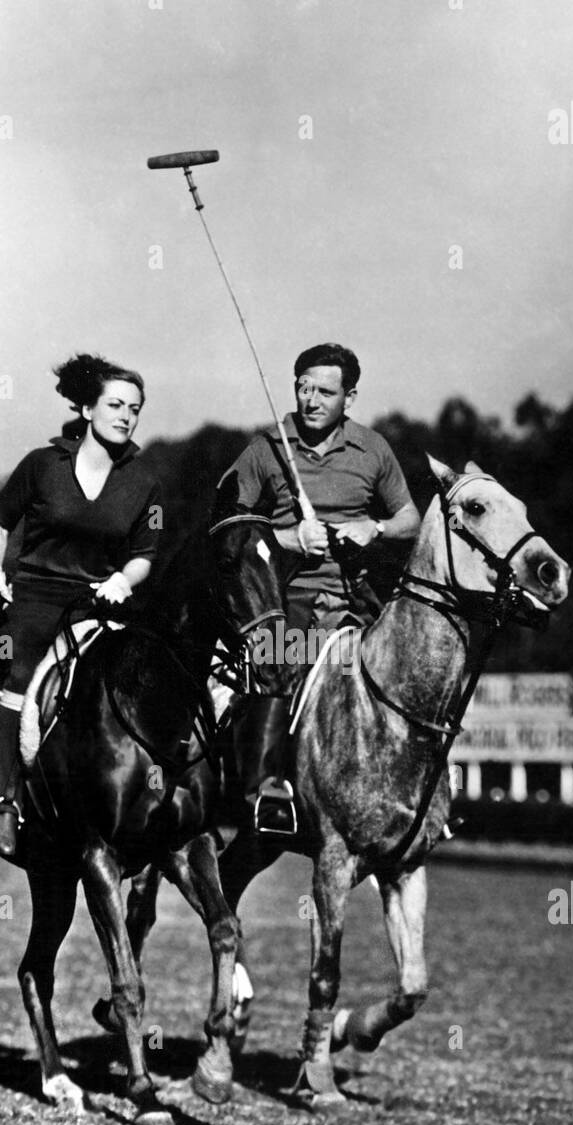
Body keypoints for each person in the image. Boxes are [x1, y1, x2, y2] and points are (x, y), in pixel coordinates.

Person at [219, 342, 420, 834]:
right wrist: (286, 538)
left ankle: (417, 798)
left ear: (349, 398)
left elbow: (410, 519)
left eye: (325, 392)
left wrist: (374, 528)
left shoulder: (373, 449)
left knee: (411, 671)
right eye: (303, 388)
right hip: (286, 602)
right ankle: (266, 793)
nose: (311, 400)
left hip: (357, 601)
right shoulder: (266, 448)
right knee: (275, 662)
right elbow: (225, 525)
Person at [0, 353, 160, 858]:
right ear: (86, 409)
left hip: (98, 607)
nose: (126, 415)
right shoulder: (42, 464)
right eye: (116, 405)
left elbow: (146, 554)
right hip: (35, 600)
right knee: (18, 685)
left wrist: (125, 579)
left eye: (135, 408)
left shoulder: (145, 482)